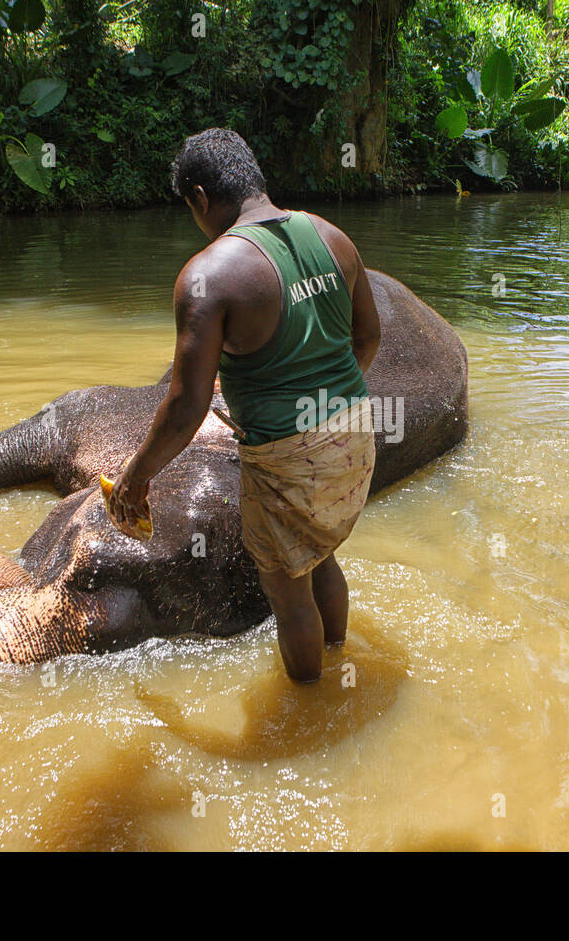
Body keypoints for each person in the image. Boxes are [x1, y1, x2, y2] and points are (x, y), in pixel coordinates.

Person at [107, 128, 381, 683]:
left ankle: (311, 708)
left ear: (201, 198)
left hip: (286, 458)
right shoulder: (332, 237)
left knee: (289, 592)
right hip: (355, 438)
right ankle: (337, 656)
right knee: (321, 553)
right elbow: (367, 339)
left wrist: (134, 478)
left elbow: (186, 408)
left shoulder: (209, 275)